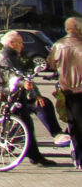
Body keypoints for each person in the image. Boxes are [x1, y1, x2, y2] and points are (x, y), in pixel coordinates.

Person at [0, 31, 59, 165]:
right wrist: (24, 86)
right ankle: (42, 150)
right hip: (10, 99)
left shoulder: (12, 56)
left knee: (43, 103)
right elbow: (12, 80)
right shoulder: (6, 57)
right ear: (12, 43)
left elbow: (22, 77)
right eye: (20, 42)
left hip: (17, 96)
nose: (23, 45)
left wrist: (35, 94)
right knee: (32, 116)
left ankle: (55, 136)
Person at [48, 17, 82, 169]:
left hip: (67, 91)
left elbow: (51, 65)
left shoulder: (58, 45)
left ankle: (79, 158)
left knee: (73, 124)